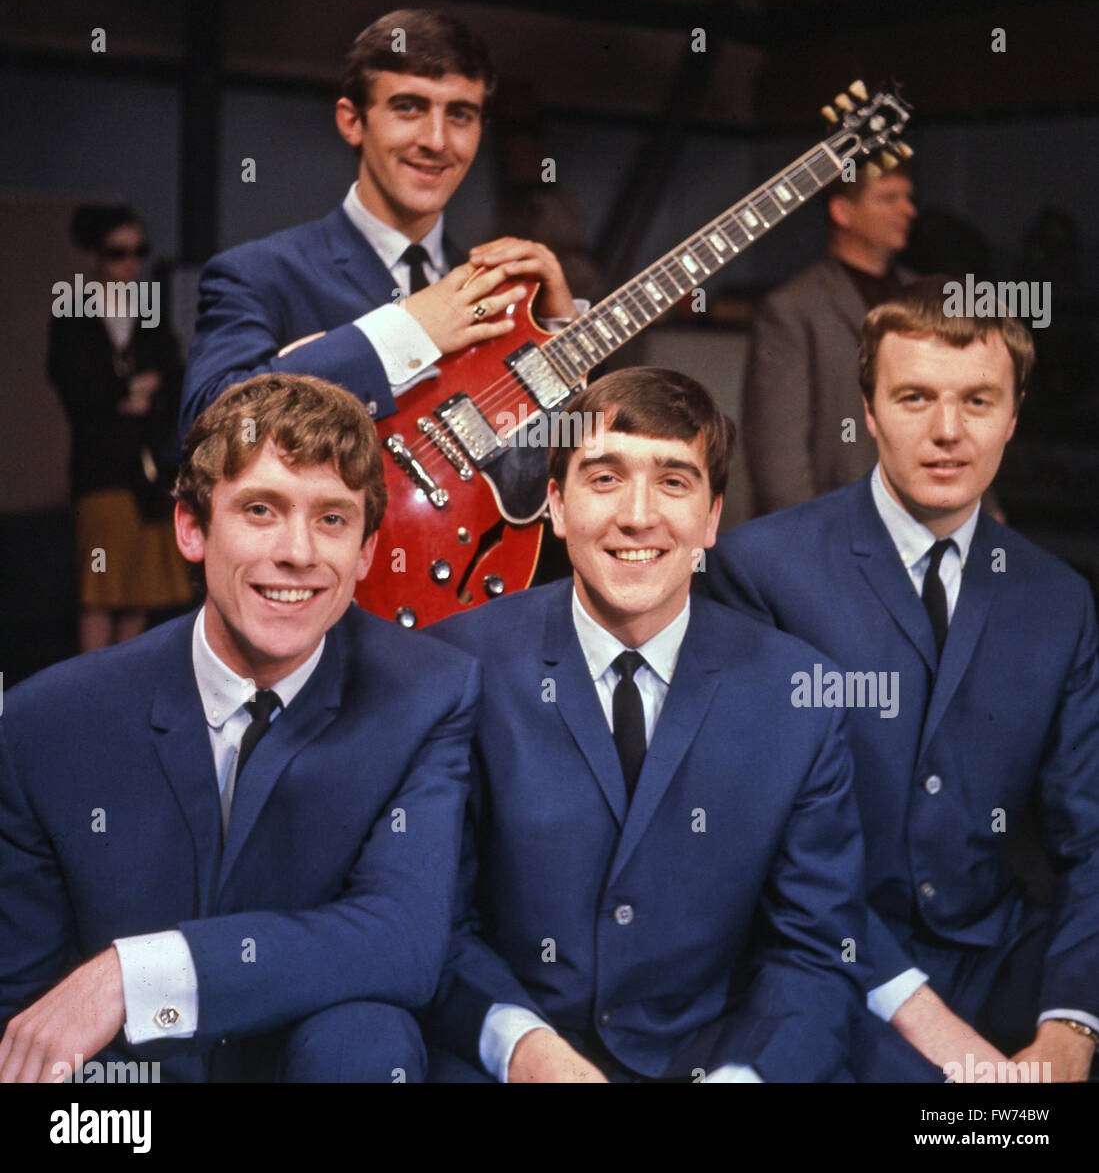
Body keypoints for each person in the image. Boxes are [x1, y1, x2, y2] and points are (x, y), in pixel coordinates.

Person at [0, 373, 476, 1083]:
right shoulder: (48, 721)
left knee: (369, 1038)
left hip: (315, 1064)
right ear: (191, 529)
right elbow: (24, 1017)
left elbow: (402, 942)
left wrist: (136, 974)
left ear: (368, 553)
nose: (299, 551)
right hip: (129, 1102)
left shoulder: (427, 693)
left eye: (333, 520)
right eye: (261, 509)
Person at [425, 367, 881, 1083]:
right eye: (603, 478)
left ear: (710, 519)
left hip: (715, 1058)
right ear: (554, 505)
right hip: (510, 1056)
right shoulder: (455, 669)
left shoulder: (800, 695)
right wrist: (525, 1050)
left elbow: (815, 953)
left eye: (673, 482)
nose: (637, 516)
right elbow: (433, 927)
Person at [703, 279, 1099, 1081]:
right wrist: (932, 1028)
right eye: (914, 397)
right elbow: (756, 840)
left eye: (977, 401)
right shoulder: (760, 572)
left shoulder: (1058, 599)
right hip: (827, 957)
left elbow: (1088, 841)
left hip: (998, 952)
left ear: (1013, 415)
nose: (946, 432)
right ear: (869, 410)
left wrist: (1070, 1027)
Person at [180, 8, 579, 439]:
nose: (436, 141)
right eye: (409, 108)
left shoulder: (492, 290)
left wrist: (561, 334)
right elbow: (208, 427)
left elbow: (547, 451)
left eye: (461, 114)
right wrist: (407, 330)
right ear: (352, 121)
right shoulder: (257, 273)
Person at [48, 203, 191, 651]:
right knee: (100, 585)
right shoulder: (72, 312)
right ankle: (90, 686)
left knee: (139, 588)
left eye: (139, 251)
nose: (130, 262)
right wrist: (126, 392)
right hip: (101, 467)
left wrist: (152, 388)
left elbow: (173, 368)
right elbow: (73, 383)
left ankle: (119, 684)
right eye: (117, 252)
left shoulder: (148, 309)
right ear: (93, 257)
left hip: (148, 468)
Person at [742, 166, 916, 516]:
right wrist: (804, 538)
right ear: (842, 212)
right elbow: (779, 450)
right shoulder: (793, 307)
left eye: (907, 197)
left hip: (920, 518)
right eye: (888, 198)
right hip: (837, 519)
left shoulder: (924, 298)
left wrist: (983, 507)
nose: (907, 209)